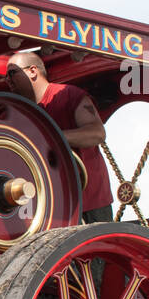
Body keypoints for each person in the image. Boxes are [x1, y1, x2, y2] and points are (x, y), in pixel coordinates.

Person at [7, 51, 113, 222]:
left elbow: (97, 133)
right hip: (51, 205)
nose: (8, 80)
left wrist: (51, 137)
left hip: (88, 201)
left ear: (33, 71)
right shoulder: (21, 113)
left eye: (12, 73)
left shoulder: (69, 95)